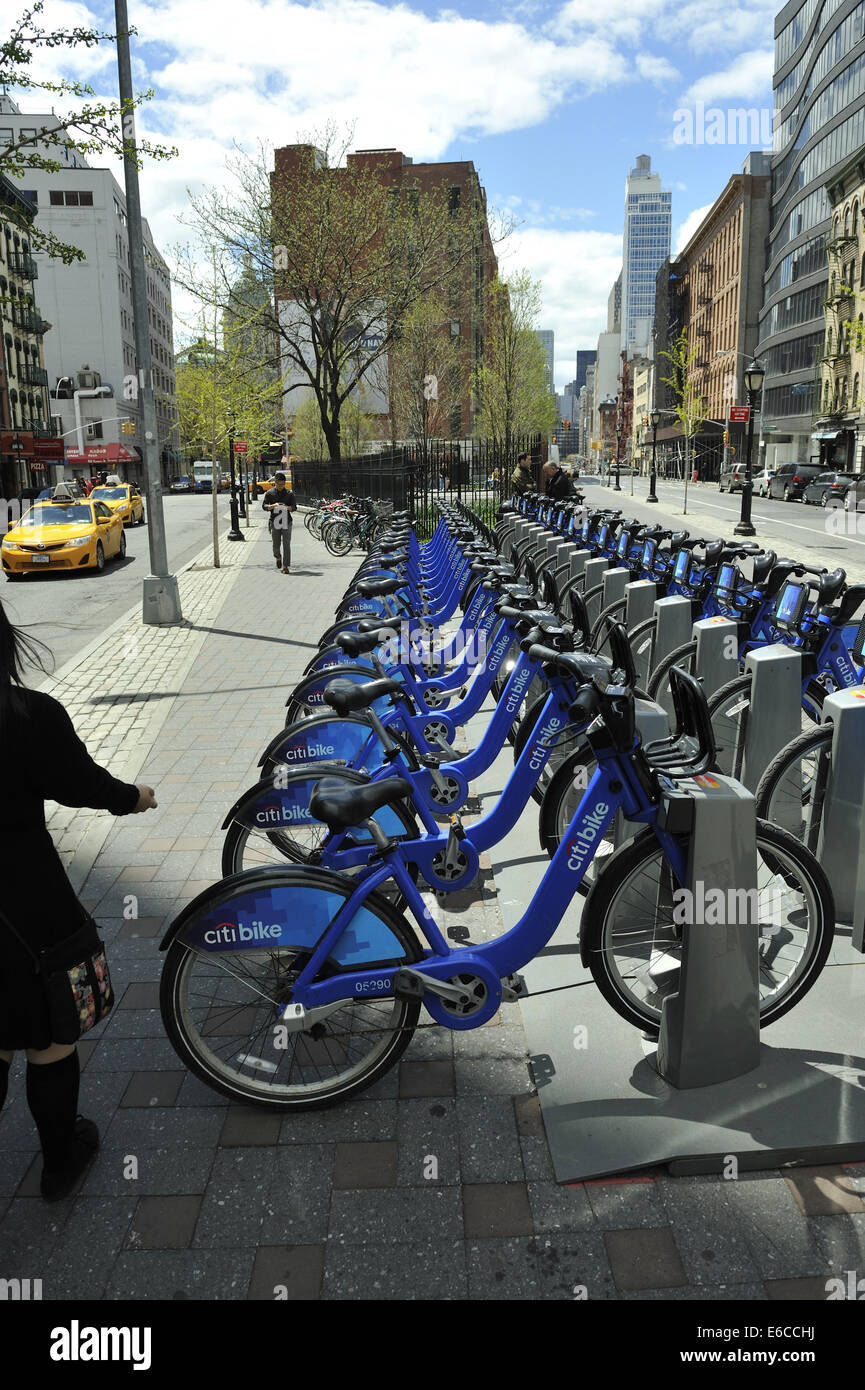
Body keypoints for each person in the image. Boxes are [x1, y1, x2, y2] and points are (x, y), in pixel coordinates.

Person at [0, 601, 157, 1201]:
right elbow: (81, 785)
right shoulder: (26, 716)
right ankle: (60, 1161)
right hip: (28, 905)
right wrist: (135, 796)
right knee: (49, 1035)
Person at [262, 471, 297, 573]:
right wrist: (272, 506)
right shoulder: (270, 493)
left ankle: (285, 566)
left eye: (282, 484)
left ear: (285, 483)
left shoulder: (290, 494)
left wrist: (287, 507)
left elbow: (294, 507)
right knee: (276, 545)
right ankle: (278, 557)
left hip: (287, 521)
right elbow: (264, 506)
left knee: (286, 544)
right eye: (278, 484)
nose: (280, 486)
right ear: (275, 483)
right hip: (275, 521)